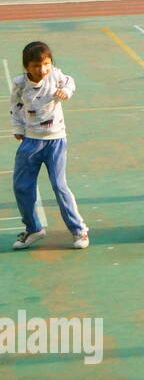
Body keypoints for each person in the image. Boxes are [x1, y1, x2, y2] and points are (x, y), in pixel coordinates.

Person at [9, 41, 89, 250]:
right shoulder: (20, 84)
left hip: (55, 140)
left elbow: (70, 83)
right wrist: (18, 128)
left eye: (45, 63)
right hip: (31, 141)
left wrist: (66, 92)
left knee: (59, 186)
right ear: (27, 66)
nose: (42, 69)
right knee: (21, 186)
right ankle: (33, 228)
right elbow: (15, 107)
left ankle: (79, 230)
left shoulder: (55, 75)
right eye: (36, 65)